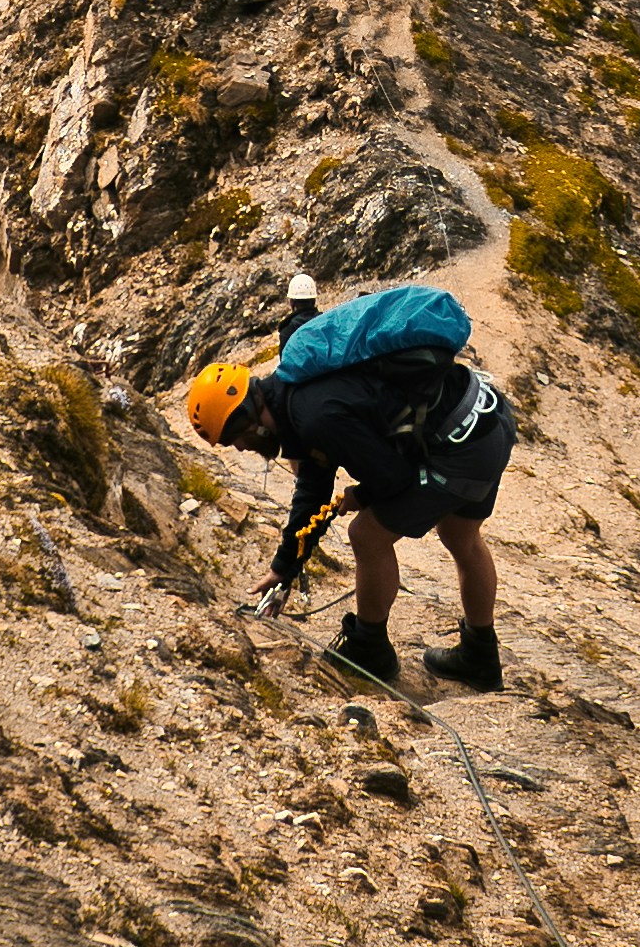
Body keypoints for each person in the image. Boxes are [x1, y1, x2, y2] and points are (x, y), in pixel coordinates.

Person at [185, 290, 515, 690]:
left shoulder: (314, 416)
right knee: (460, 535)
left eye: (232, 438)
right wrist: (284, 568)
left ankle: (369, 648)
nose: (239, 448)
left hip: (462, 448)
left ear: (246, 419)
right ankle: (480, 657)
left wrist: (362, 495)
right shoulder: (295, 394)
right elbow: (313, 491)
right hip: (485, 415)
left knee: (367, 534)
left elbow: (392, 478)